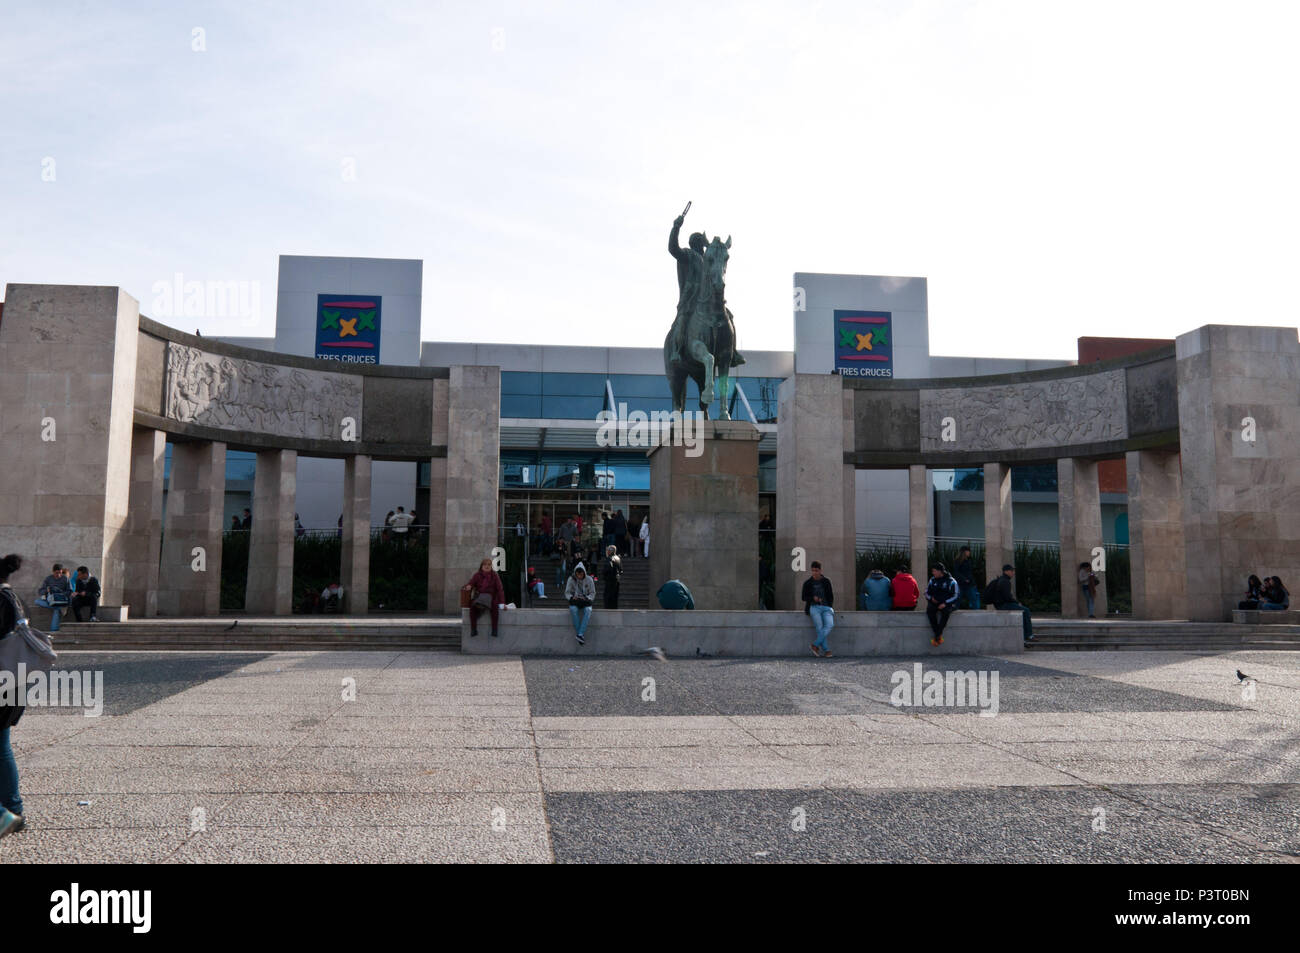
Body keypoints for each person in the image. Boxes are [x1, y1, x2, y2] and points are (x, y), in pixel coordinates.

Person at [1, 554, 28, 838]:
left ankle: (9, 812)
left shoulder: (2, 600)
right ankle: (11, 810)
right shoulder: (13, 599)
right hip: (11, 682)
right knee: (1, 746)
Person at [989, 564, 1035, 644]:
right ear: (1006, 571)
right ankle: (1029, 635)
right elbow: (1007, 597)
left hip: (1001, 605)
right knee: (1026, 611)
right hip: (1003, 606)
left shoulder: (1002, 580)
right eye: (1011, 571)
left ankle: (1024, 638)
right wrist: (1017, 603)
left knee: (1023, 612)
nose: (1013, 573)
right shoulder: (1005, 581)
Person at [801, 561, 835, 657]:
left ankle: (815, 645)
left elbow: (831, 595)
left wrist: (830, 606)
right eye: (813, 571)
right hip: (814, 607)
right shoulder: (808, 583)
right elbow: (803, 597)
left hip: (826, 607)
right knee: (819, 628)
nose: (814, 573)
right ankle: (827, 650)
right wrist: (813, 598)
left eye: (816, 570)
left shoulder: (826, 581)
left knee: (830, 625)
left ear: (820, 570)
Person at [466, 558, 505, 637]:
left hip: (491, 597)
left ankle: (494, 630)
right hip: (480, 597)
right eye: (485, 564)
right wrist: (469, 586)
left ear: (491, 566)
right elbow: (471, 583)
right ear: (481, 566)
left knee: (494, 608)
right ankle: (473, 629)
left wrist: (502, 602)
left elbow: (500, 589)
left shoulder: (494, 576)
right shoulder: (477, 575)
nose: (487, 566)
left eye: (489, 565)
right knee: (472, 608)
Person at [924, 564, 960, 646]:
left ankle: (937, 635)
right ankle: (938, 634)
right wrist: (931, 599)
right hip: (934, 602)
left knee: (946, 612)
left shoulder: (951, 581)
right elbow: (926, 592)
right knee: (930, 610)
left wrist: (945, 603)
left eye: (934, 571)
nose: (933, 573)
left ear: (940, 571)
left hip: (947, 603)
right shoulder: (932, 580)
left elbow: (956, 595)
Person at [35, 562, 71, 632]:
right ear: (53, 572)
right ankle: (55, 607)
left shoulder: (65, 579)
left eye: (60, 573)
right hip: (50, 600)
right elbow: (40, 591)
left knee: (56, 609)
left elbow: (70, 591)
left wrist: (60, 593)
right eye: (57, 573)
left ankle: (54, 630)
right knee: (36, 601)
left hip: (61, 600)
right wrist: (47, 590)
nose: (58, 575)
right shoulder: (48, 579)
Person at [565, 563, 596, 645]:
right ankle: (580, 634)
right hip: (575, 601)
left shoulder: (589, 579)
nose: (579, 576)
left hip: (585, 601)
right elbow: (567, 592)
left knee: (588, 610)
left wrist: (587, 598)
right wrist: (572, 597)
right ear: (575, 573)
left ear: (584, 573)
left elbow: (592, 593)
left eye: (581, 574)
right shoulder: (571, 579)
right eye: (578, 574)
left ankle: (580, 634)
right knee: (573, 609)